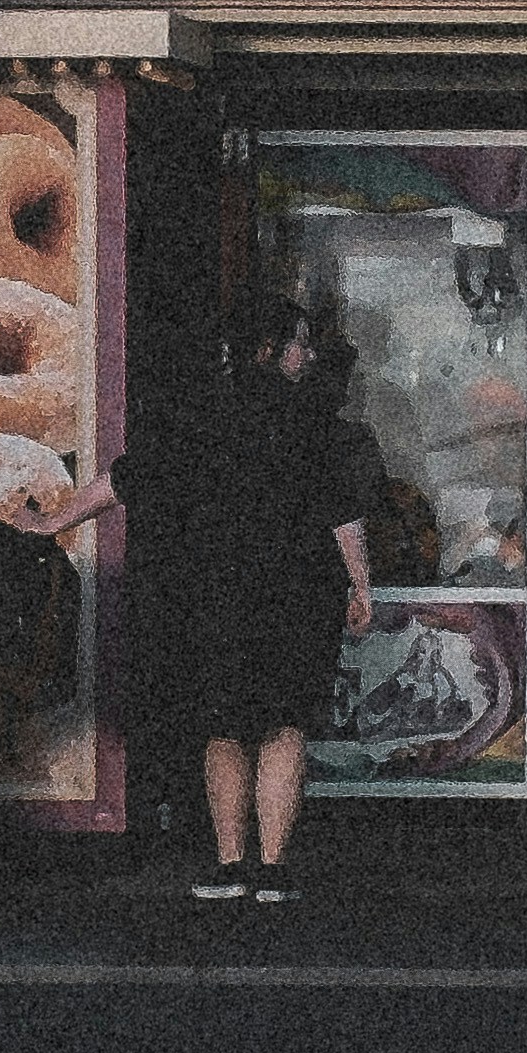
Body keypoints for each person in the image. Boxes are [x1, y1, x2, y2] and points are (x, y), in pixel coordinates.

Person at [144, 296, 370, 906]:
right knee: (282, 725)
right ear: (267, 348)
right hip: (297, 594)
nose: (310, 352)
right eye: (299, 341)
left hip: (218, 593)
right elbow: (341, 511)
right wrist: (361, 583)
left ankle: (228, 864)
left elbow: (130, 478)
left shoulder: (202, 415)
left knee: (222, 728)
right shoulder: (314, 420)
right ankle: (272, 867)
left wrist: (55, 518)